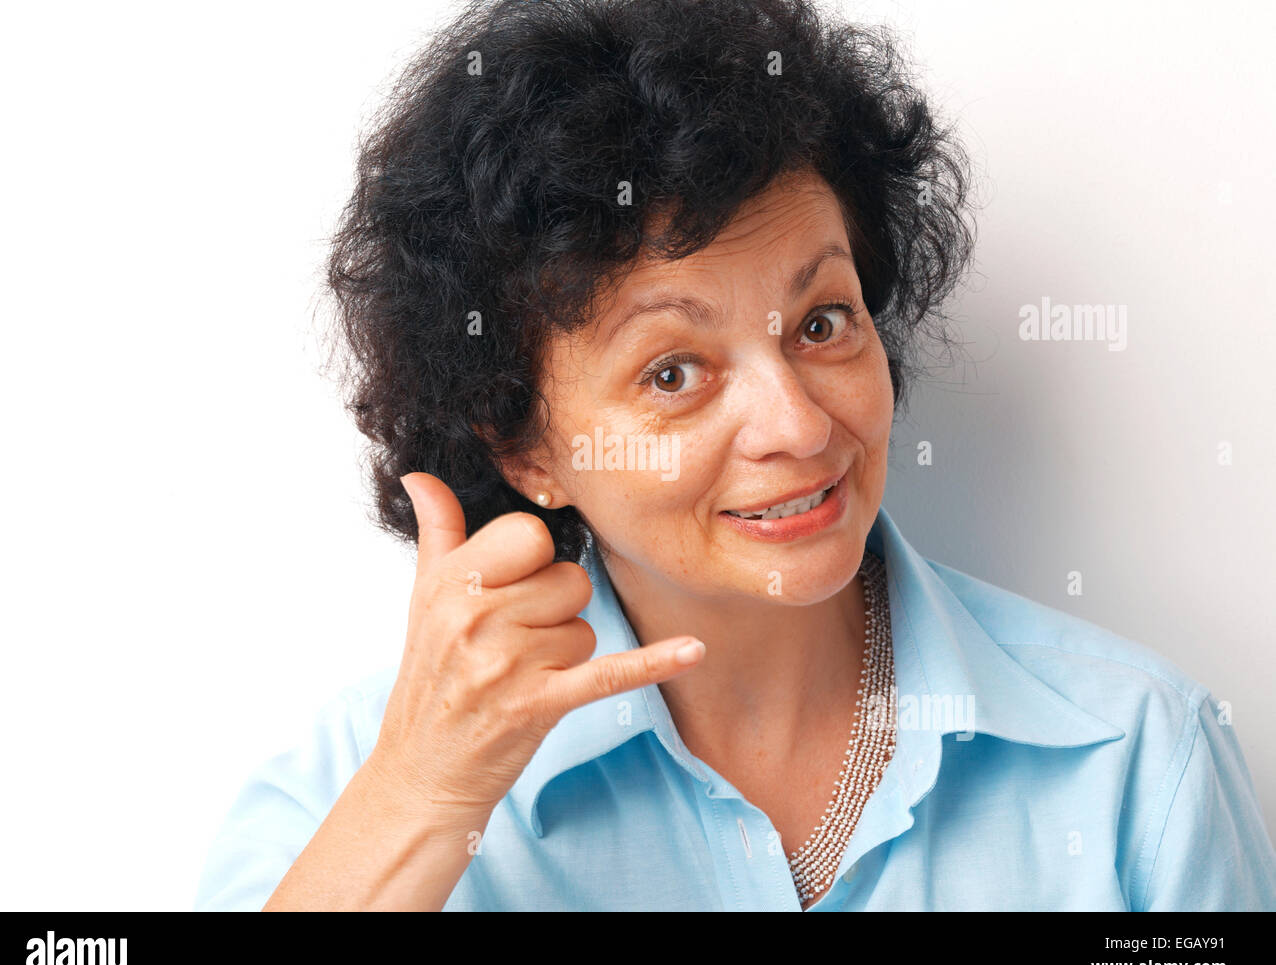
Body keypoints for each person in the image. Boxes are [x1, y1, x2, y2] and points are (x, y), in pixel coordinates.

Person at [193, 0, 1276, 911]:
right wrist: (424, 799)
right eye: (673, 372)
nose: (799, 426)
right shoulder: (353, 790)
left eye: (819, 323)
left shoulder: (1134, 759)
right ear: (523, 446)